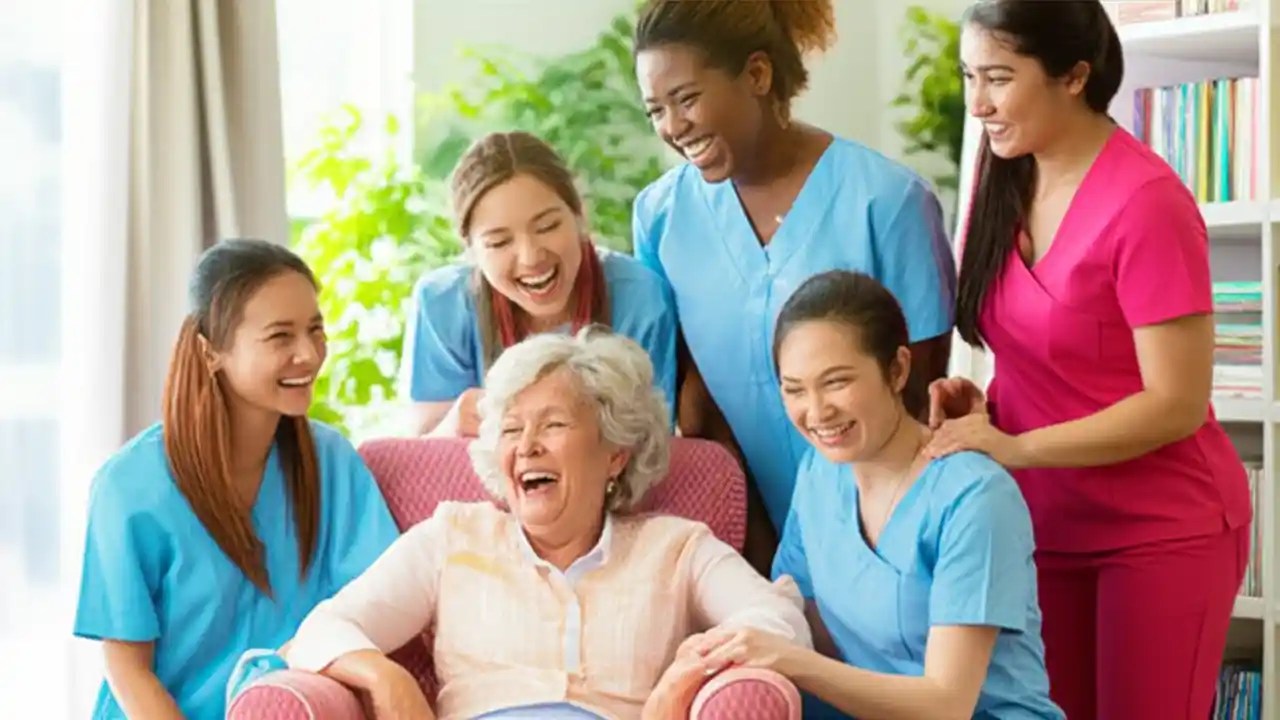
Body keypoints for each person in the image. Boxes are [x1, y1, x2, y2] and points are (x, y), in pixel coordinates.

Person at [924, 3, 1251, 718]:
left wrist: (1017, 445)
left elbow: (1176, 402)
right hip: (1042, 521)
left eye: (1000, 78)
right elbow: (1032, 350)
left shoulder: (1146, 203)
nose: (978, 103)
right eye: (970, 76)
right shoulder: (1002, 174)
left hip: (1162, 528)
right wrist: (985, 411)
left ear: (1074, 76)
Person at [284, 327, 813, 719]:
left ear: (615, 454)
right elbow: (321, 629)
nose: (527, 445)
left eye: (554, 424)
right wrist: (384, 676)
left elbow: (780, 622)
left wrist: (689, 671)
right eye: (511, 429)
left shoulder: (675, 547)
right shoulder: (451, 538)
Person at [630, 0, 956, 570]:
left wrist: (849, 545)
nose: (672, 127)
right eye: (655, 109)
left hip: (882, 530)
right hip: (737, 533)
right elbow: (692, 399)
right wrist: (754, 545)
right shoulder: (660, 215)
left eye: (686, 99)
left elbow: (920, 399)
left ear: (757, 75)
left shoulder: (889, 202)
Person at [693, 270, 1060, 719]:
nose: (817, 411)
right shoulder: (819, 475)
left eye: (837, 382)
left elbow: (947, 705)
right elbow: (801, 615)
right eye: (794, 390)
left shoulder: (975, 497)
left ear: (898, 369)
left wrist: (790, 661)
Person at [72, 239, 401, 720]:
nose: (308, 354)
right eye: (280, 337)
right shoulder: (128, 489)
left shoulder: (333, 462)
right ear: (211, 352)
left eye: (315, 330)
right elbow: (128, 669)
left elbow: (381, 604)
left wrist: (377, 672)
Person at [401, 131, 678, 437]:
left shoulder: (640, 298)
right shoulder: (442, 304)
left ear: (579, 215)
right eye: (498, 242)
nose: (531, 258)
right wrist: (454, 423)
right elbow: (421, 452)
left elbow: (650, 447)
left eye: (548, 226)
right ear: (471, 249)